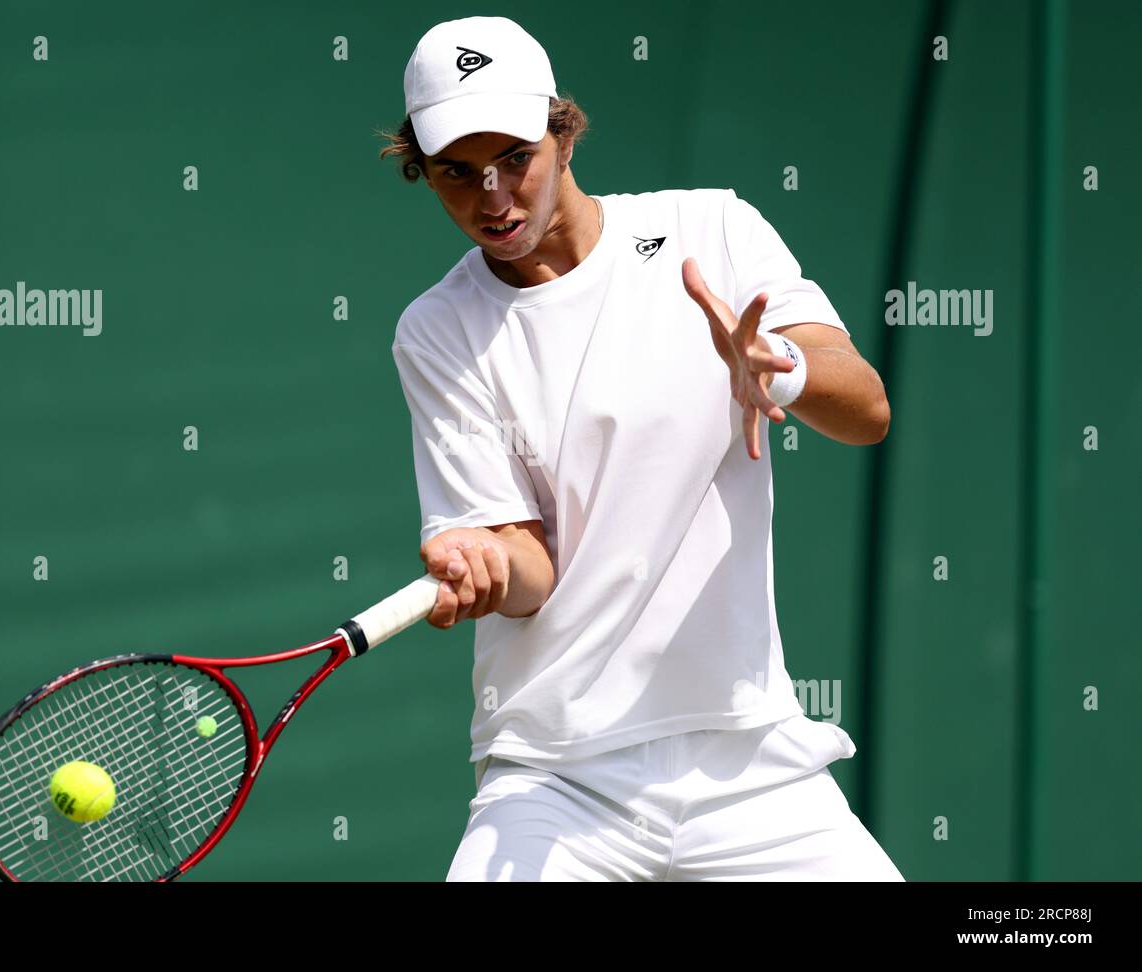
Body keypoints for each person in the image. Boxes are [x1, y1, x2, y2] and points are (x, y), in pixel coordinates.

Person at [380, 15, 902, 881]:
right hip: (558, 778)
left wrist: (780, 373)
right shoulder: (437, 331)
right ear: (424, 172)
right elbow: (529, 565)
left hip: (750, 767)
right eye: (457, 173)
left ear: (563, 128)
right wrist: (485, 560)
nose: (493, 196)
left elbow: (868, 408)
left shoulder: (713, 231)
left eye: (516, 156)